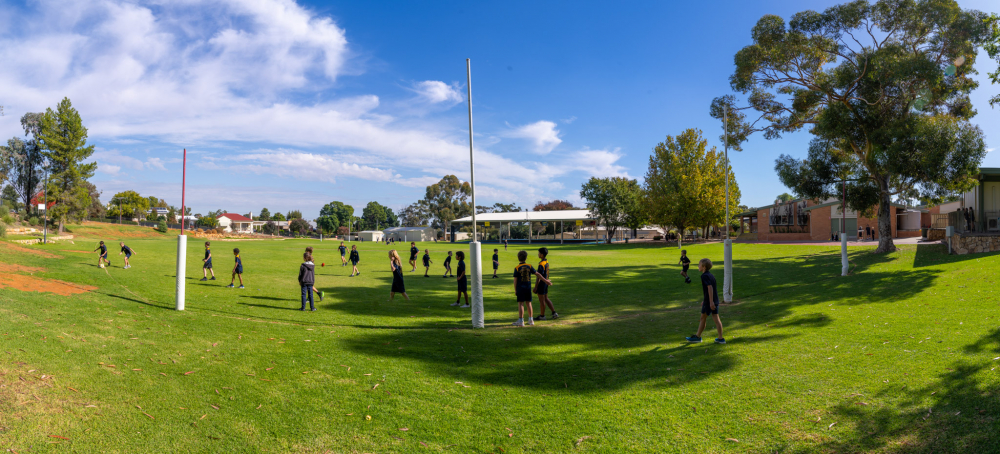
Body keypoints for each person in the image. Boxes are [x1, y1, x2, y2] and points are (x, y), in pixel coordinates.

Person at [686, 258, 725, 344]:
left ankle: (697, 337)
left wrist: (710, 302)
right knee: (716, 319)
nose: (698, 266)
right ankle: (721, 338)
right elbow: (711, 290)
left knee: (703, 318)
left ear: (704, 267)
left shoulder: (704, 276)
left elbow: (710, 288)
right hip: (714, 300)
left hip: (710, 302)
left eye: (699, 265)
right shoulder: (711, 275)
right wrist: (707, 300)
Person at [511, 250, 552, 327]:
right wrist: (546, 280)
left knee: (521, 304)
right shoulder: (529, 266)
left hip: (520, 288)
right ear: (526, 258)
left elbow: (515, 280)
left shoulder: (517, 268)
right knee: (529, 303)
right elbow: (538, 274)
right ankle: (531, 320)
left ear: (518, 258)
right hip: (528, 288)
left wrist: (516, 290)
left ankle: (521, 321)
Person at [533, 247, 559, 320]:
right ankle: (554, 313)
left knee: (542, 300)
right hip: (546, 283)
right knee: (546, 299)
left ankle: (542, 316)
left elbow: (539, 276)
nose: (538, 254)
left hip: (542, 283)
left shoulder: (541, 264)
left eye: (539, 253)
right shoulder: (546, 262)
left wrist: (536, 287)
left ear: (542, 254)